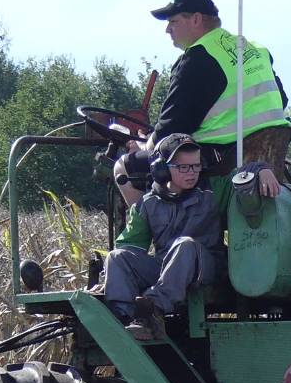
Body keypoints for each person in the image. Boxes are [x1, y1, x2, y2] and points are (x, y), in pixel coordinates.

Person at [114, 0, 289, 205]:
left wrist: (143, 147)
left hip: (218, 166)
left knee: (124, 167)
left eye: (173, 21)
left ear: (196, 19)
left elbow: (171, 128)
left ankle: (153, 226)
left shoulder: (198, 58)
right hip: (269, 156)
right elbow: (281, 100)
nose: (167, 29)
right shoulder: (254, 50)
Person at [103, 134, 253, 342]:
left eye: (196, 166)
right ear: (161, 168)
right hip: (166, 267)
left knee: (185, 244)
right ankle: (125, 319)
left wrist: (260, 169)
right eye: (183, 167)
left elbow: (244, 177)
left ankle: (151, 312)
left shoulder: (214, 190)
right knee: (117, 257)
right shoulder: (148, 203)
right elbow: (129, 244)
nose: (191, 172)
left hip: (206, 266)